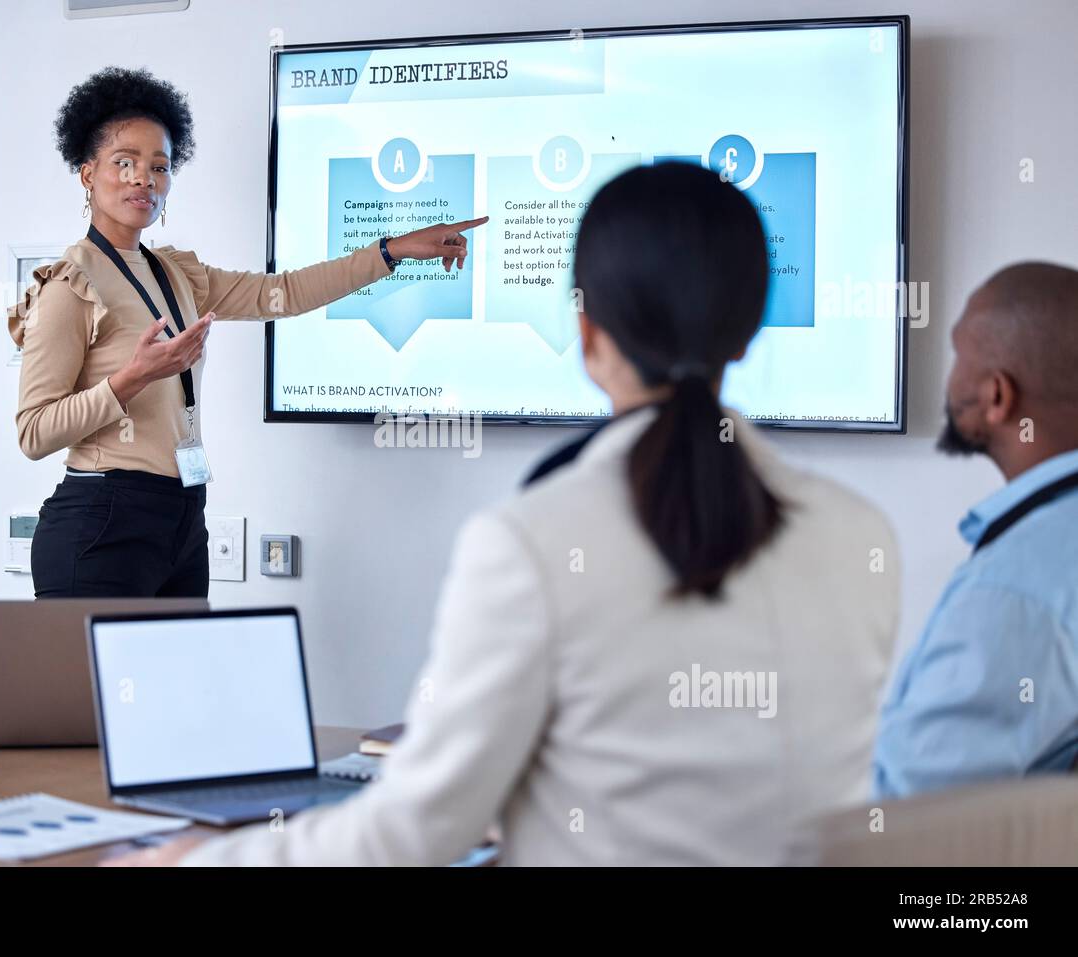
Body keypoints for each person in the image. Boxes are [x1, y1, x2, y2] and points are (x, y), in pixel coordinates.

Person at [109, 162, 899, 867]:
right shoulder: (862, 535)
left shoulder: (532, 542)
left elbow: (412, 834)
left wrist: (188, 862)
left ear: (586, 331)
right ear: (754, 322)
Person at [7, 66, 485, 598]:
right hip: (102, 519)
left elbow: (281, 293)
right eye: (125, 162)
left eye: (159, 167)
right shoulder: (70, 285)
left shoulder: (173, 273)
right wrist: (132, 379)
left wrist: (391, 250)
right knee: (90, 685)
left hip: (182, 514)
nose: (144, 178)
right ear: (88, 172)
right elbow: (34, 432)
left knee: (182, 682)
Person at [873, 263, 1078, 798]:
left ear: (996, 397)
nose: (950, 377)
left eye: (959, 354)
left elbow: (907, 818)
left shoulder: (1017, 592)